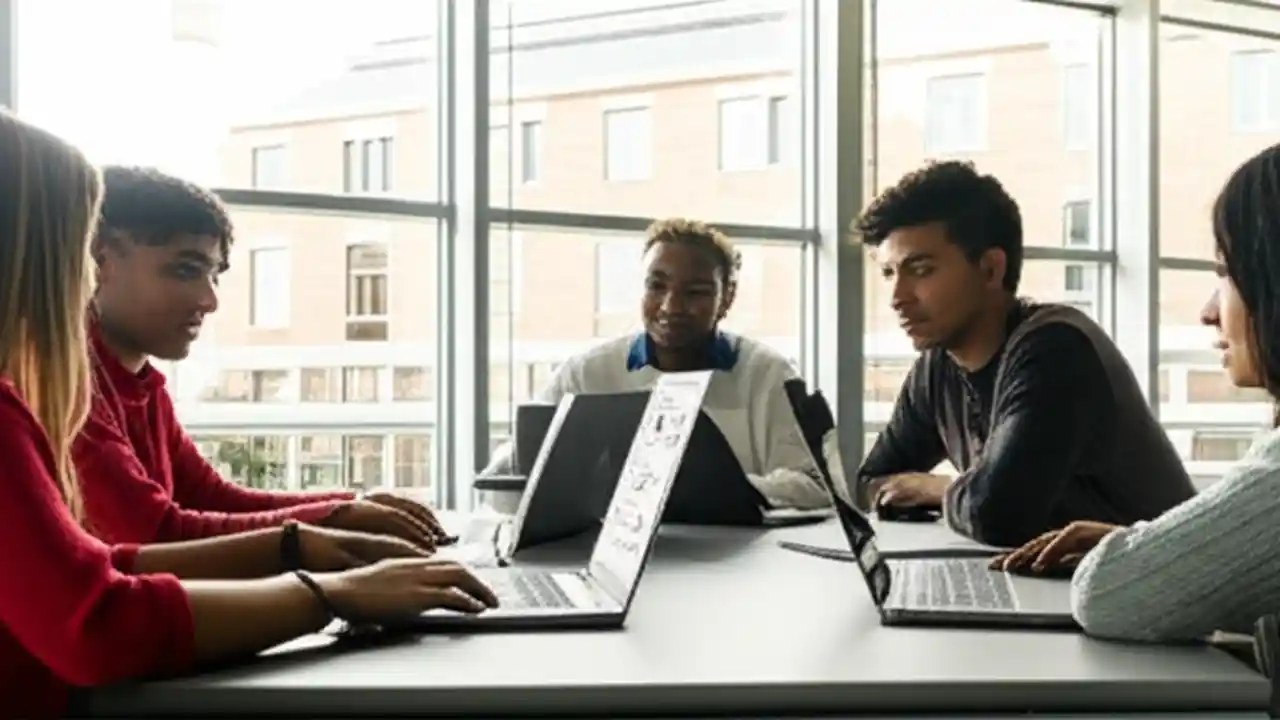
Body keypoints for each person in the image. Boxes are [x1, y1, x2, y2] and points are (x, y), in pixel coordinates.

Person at [0, 112, 496, 716]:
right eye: (78, 252)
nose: (85, 277)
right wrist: (329, 589)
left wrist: (318, 537)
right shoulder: (34, 402)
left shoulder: (120, 387)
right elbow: (97, 620)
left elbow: (101, 560)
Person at [994, 143, 1280, 642]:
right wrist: (1156, 550)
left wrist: (1140, 558)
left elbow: (1107, 597)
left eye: (1225, 273)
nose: (1210, 311)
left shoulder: (1051, 346)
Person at [76, 166, 447, 550]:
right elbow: (157, 535)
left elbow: (212, 498)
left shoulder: (141, 384)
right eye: (185, 271)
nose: (210, 300)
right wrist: (334, 521)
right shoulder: (67, 390)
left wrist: (349, 506)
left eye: (214, 276)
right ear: (99, 263)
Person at [853, 161, 1195, 547]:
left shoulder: (1057, 349)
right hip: (1059, 588)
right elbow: (872, 481)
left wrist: (939, 489)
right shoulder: (937, 366)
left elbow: (998, 515)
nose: (897, 298)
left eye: (921, 270)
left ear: (990, 269)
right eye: (888, 274)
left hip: (1152, 591)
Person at [484, 218, 828, 510]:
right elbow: (503, 482)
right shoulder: (585, 373)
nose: (670, 306)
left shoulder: (768, 375)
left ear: (728, 298)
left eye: (695, 292)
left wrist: (714, 494)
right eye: (656, 286)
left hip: (735, 562)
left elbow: (816, 484)